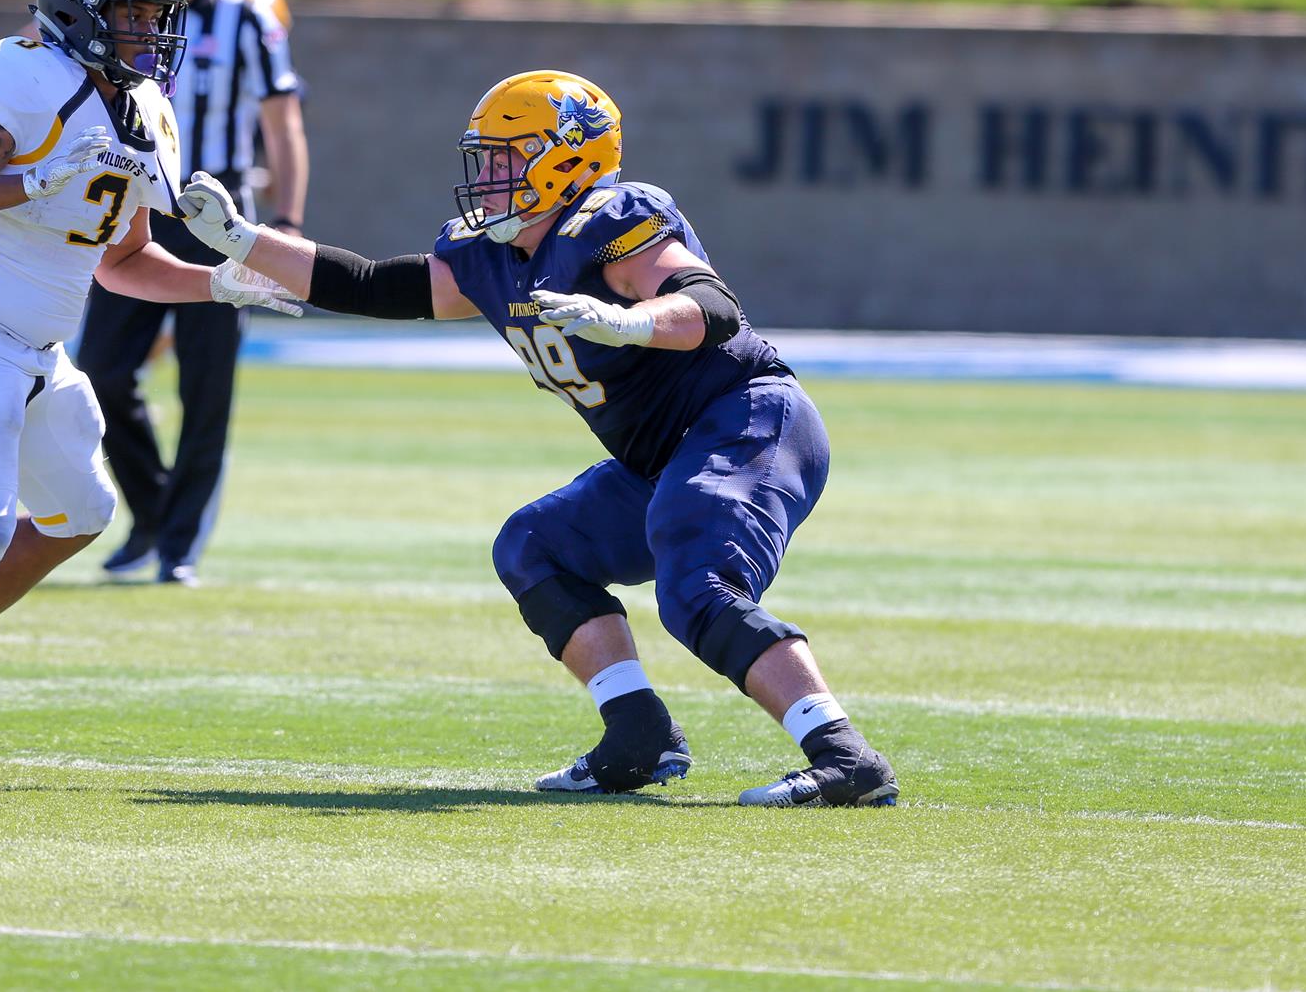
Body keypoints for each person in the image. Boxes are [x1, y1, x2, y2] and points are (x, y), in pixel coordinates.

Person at [171, 70, 899, 808]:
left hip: (745, 417)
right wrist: (242, 240)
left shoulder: (613, 219)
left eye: (505, 158)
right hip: (659, 454)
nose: (487, 178)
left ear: (566, 158)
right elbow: (371, 285)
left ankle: (844, 756)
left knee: (695, 585)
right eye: (484, 159)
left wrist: (628, 320)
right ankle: (637, 734)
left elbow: (711, 306)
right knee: (535, 545)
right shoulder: (491, 253)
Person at [0, 0, 301, 776]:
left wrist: (219, 282)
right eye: (134, 14)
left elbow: (125, 259)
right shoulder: (25, 78)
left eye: (158, 16)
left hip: (35, 344)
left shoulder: (150, 112)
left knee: (83, 512)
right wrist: (32, 178)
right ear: (81, 13)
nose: (151, 33)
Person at [82, 0, 308, 588]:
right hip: (138, 207)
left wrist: (289, 225)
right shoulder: (125, 9)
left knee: (206, 388)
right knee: (103, 373)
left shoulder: (244, 18)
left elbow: (283, 121)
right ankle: (150, 512)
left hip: (221, 218)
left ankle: (178, 543)